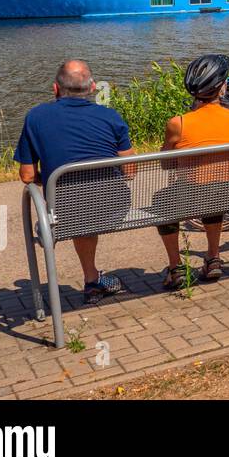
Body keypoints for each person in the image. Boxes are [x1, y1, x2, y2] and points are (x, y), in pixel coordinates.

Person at [15, 60, 135, 300]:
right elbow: (130, 171)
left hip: (65, 211)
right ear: (92, 88)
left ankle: (91, 280)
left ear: (55, 89)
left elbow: (27, 175)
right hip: (114, 207)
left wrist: (50, 179)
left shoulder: (36, 117)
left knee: (79, 207)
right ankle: (92, 280)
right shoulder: (110, 116)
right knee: (90, 204)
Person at [152, 55, 229, 288]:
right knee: (214, 193)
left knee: (161, 201)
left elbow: (166, 163)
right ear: (222, 87)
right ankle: (213, 257)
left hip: (191, 197)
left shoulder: (179, 123)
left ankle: (176, 268)